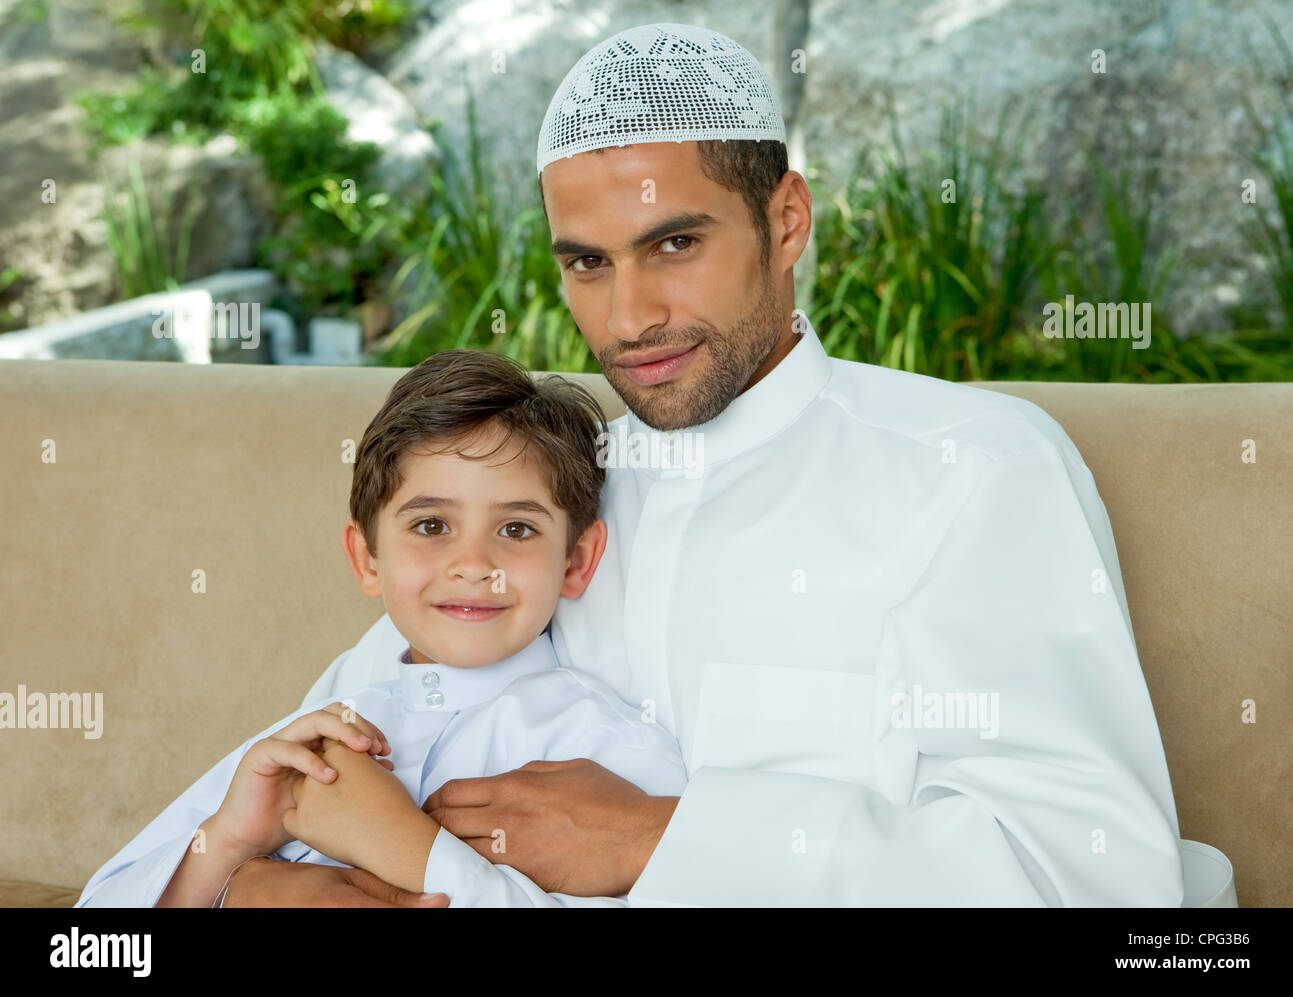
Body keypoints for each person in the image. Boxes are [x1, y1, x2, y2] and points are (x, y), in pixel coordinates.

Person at [231, 21, 1191, 907]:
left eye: (675, 243)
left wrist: (659, 839)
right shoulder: (544, 488)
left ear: (786, 221)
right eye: (587, 264)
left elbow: (1092, 869)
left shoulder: (972, 469)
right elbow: (339, 756)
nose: (628, 318)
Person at [75, 350, 688, 907]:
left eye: (517, 529)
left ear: (576, 562)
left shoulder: (607, 752)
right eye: (430, 526)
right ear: (367, 559)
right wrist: (234, 843)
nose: (473, 565)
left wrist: (416, 854)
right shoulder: (316, 738)